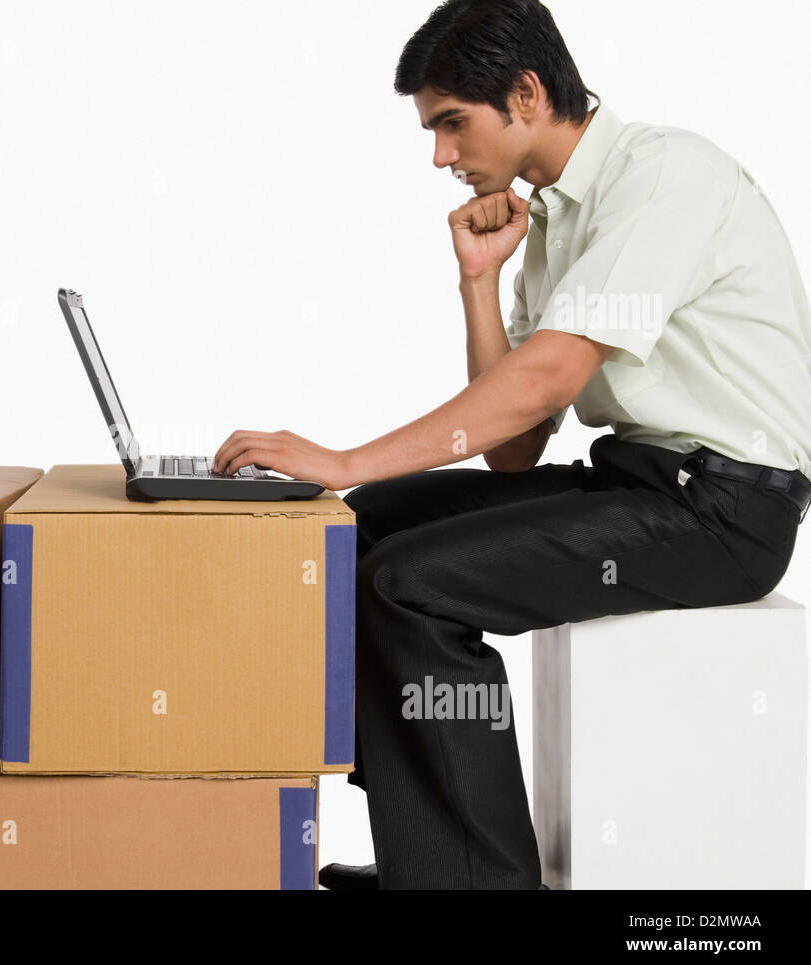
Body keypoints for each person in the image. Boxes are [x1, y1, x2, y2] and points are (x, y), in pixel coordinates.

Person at [211, 0, 811, 889]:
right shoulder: (550, 222)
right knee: (364, 529)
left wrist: (340, 458)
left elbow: (545, 382)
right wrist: (480, 282)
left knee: (408, 585)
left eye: (452, 123)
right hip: (638, 484)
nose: (441, 156)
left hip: (725, 508)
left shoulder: (664, 177)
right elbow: (518, 447)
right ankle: (431, 851)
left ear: (526, 94)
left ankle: (475, 881)